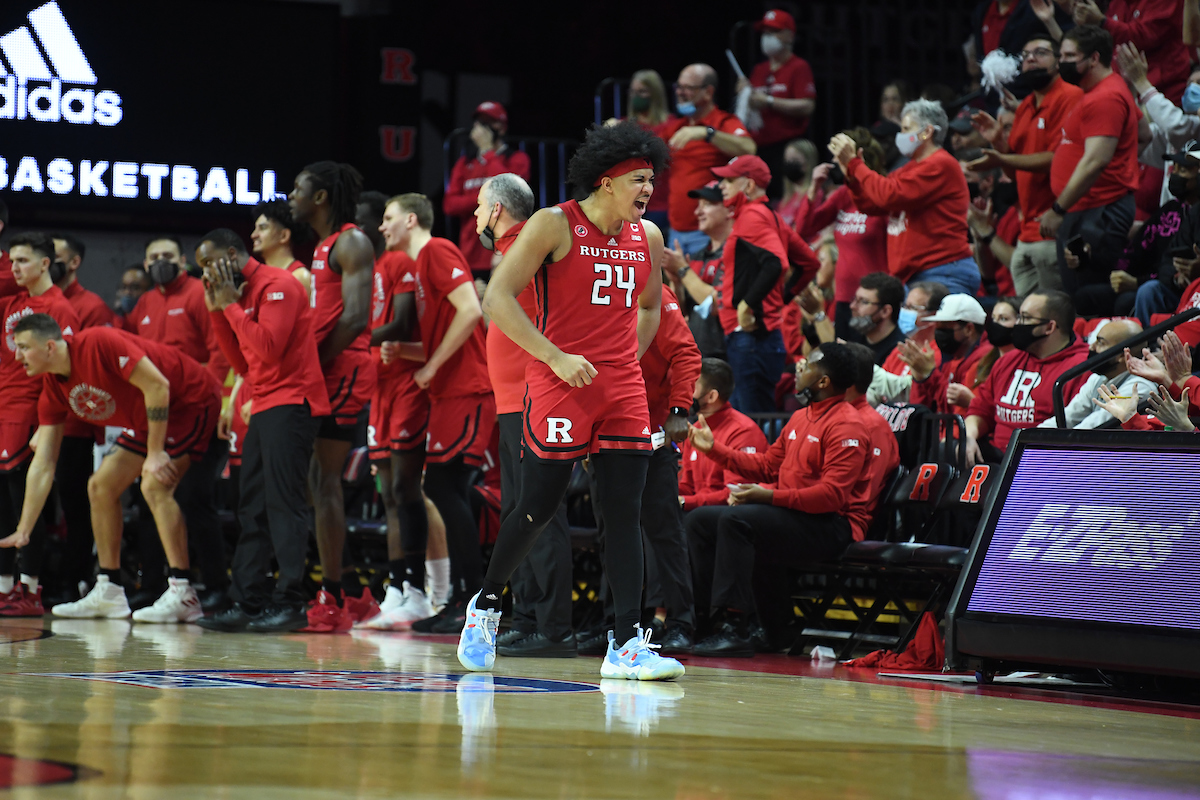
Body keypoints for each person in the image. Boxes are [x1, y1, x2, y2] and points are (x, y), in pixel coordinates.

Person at [462, 121, 684, 680]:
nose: (646, 191)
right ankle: (485, 606)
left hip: (622, 387)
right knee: (536, 508)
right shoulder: (554, 224)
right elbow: (498, 300)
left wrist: (626, 355)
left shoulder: (649, 238)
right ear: (606, 181)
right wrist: (555, 356)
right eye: (638, 180)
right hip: (559, 381)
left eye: (651, 181)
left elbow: (653, 307)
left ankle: (625, 643)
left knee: (623, 513)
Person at [8, 316, 221, 623]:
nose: (17, 355)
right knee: (100, 486)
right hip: (147, 418)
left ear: (50, 346)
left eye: (24, 347)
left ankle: (183, 591)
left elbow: (158, 385)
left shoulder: (98, 343)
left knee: (154, 485)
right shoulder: (53, 388)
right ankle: (109, 590)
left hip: (189, 401)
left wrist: (156, 452)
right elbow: (43, 463)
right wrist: (24, 529)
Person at [457, 173, 576, 655]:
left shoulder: (535, 246)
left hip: (536, 398)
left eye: (479, 206)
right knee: (517, 515)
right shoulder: (514, 251)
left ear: (498, 210)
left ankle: (552, 627)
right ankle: (526, 615)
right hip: (511, 403)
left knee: (541, 514)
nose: (474, 216)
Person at [685, 343, 868, 655]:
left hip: (830, 525)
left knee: (737, 519)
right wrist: (713, 449)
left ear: (823, 382)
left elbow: (831, 496)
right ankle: (702, 620)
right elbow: (767, 465)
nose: (799, 366)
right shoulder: (800, 416)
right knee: (700, 520)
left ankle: (735, 627)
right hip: (795, 515)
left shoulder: (847, 424)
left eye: (808, 364)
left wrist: (769, 497)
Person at [195, 229, 330, 632]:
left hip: (293, 403)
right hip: (264, 403)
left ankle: (290, 600)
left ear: (232, 256)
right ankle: (249, 600)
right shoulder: (237, 293)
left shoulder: (280, 285)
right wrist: (219, 311)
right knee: (251, 504)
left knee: (283, 504)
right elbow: (242, 363)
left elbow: (269, 347)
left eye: (209, 265)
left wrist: (231, 308)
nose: (206, 274)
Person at [384, 193, 496, 635]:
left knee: (446, 487)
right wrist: (411, 352)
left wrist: (428, 365)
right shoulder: (419, 264)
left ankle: (470, 601)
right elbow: (448, 332)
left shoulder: (437, 250)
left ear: (411, 220)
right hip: (449, 393)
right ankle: (462, 598)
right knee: (445, 489)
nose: (382, 226)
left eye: (389, 218)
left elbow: (470, 312)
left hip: (468, 389)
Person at [288, 161, 377, 632]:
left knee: (324, 482)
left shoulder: (351, 241)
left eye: (299, 189)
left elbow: (357, 318)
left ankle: (335, 595)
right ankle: (352, 592)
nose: (291, 196)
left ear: (320, 197)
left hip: (342, 370)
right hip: (325, 369)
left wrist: (313, 363)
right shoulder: (324, 246)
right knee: (314, 483)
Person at [353, 198, 436, 630]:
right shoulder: (372, 268)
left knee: (405, 488)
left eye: (382, 220)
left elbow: (404, 323)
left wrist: (350, 333)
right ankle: (396, 587)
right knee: (386, 492)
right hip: (380, 385)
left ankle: (417, 589)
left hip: (408, 382)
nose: (376, 228)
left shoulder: (403, 261)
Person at [0, 234, 82, 617]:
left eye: (22, 261)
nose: (14, 268)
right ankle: (5, 587)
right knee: (3, 500)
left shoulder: (59, 308)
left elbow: (65, 370)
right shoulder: (14, 302)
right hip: (4, 406)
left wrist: (46, 425)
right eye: (11, 261)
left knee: (25, 501)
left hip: (32, 410)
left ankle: (29, 587)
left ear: (46, 263)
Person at [970, 34, 1082, 296]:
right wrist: (999, 141)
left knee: (1054, 316)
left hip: (1054, 226)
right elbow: (1013, 171)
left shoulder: (1071, 97)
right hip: (1026, 235)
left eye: (1040, 52)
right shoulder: (1025, 107)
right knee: (1028, 321)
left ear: (1058, 61)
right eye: (1026, 55)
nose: (1031, 58)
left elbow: (1058, 160)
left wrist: (1003, 157)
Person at [830, 99, 981, 295]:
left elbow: (889, 195)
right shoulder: (908, 169)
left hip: (941, 272)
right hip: (919, 275)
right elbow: (872, 205)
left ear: (927, 132)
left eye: (907, 128)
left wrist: (856, 165)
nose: (901, 135)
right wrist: (852, 177)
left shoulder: (941, 164)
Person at [1039, 26, 1139, 297]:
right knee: (1081, 291)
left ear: (1094, 58)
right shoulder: (1103, 89)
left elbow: (1096, 160)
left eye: (1070, 55)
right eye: (1061, 55)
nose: (1062, 63)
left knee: (1088, 294)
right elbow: (1143, 133)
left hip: (1098, 211)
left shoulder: (1106, 97)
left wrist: (1058, 209)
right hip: (1091, 207)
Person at [635, 284, 702, 653]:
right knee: (609, 531)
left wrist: (679, 409)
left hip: (652, 430)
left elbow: (686, 353)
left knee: (664, 529)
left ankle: (680, 621)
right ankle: (617, 621)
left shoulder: (654, 291)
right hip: (605, 428)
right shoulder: (588, 280)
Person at [965, 290, 1090, 462]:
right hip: (995, 456)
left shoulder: (1080, 369)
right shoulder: (1009, 359)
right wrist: (969, 437)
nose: (1018, 324)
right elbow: (981, 409)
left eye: (1025, 318)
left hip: (1039, 462)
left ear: (1049, 327)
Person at [712, 154, 790, 413]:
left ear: (749, 185)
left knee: (752, 421)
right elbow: (807, 262)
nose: (721, 185)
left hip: (752, 338)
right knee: (757, 417)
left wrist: (747, 304)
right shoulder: (772, 216)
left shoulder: (752, 215)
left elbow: (777, 263)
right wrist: (783, 299)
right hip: (760, 339)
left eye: (729, 179)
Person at [799, 129, 891, 337]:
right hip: (844, 299)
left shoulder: (883, 193)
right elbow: (805, 228)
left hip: (874, 301)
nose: (833, 161)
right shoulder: (843, 195)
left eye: (838, 155)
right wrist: (813, 189)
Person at [661, 63, 756, 258]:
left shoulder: (723, 122)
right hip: (676, 233)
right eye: (679, 87)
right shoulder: (677, 127)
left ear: (708, 92)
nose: (680, 92)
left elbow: (749, 149)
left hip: (707, 233)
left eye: (688, 88)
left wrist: (707, 133)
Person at [443, 102, 532, 279]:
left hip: (503, 252)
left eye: (488, 123)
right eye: (479, 123)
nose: (482, 128)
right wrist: (483, 200)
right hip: (470, 254)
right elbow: (450, 205)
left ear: (502, 128)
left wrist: (489, 154)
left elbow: (508, 192)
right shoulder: (464, 164)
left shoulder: (516, 159)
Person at [127, 236, 229, 385]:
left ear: (182, 261)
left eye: (168, 256)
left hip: (193, 389)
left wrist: (209, 388)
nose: (161, 261)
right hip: (154, 390)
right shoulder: (145, 301)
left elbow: (221, 349)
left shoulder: (200, 293)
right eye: (154, 257)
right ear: (146, 264)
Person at [739, 10, 817, 201]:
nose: (767, 37)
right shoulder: (759, 69)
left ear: (789, 36)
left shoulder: (798, 67)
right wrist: (744, 93)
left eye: (773, 31)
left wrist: (769, 102)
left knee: (785, 199)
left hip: (786, 147)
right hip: (760, 147)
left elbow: (807, 105)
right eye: (765, 32)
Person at [678, 358, 768, 512]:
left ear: (711, 396)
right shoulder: (695, 428)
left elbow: (736, 493)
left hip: (726, 515)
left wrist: (685, 502)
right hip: (698, 512)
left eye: (692, 386)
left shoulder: (743, 431)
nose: (685, 392)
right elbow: (687, 485)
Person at [1038, 317, 1154, 428]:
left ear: (1121, 355)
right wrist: (1028, 435)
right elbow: (1069, 416)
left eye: (1100, 343)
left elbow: (1093, 426)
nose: (1091, 347)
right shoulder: (1097, 378)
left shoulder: (1138, 387)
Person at [663, 181, 732, 360]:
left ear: (730, 210)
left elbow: (717, 303)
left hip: (727, 356)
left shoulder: (737, 253)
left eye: (707, 205)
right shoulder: (697, 257)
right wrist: (677, 282)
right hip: (697, 355)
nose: (697, 212)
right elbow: (682, 313)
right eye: (698, 206)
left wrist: (683, 271)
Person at [1072, 0, 1190, 104]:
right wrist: (1088, 25)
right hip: (1123, 90)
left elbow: (1143, 37)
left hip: (1162, 94)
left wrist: (1102, 22)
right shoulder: (1118, 3)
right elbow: (1108, 40)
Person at [904, 294, 994, 416]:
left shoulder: (985, 359)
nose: (939, 334)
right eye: (937, 328)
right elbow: (920, 409)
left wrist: (930, 374)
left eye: (945, 328)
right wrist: (919, 377)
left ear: (969, 329)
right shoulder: (951, 358)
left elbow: (957, 411)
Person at [608, 70, 673, 232]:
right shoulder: (622, 125)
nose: (636, 96)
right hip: (628, 203)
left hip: (660, 203)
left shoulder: (671, 125)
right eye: (633, 92)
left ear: (655, 94)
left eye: (642, 92)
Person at [880, 281, 950, 380]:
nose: (905, 312)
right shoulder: (901, 349)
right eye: (905, 306)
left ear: (933, 316)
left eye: (912, 308)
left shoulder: (938, 355)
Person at [250, 198, 311, 296]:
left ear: (284, 236)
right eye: (255, 229)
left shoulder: (300, 277)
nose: (253, 235)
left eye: (262, 228)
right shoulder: (257, 279)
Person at [52, 234, 113, 328]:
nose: (47, 262)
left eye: (55, 257)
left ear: (74, 262)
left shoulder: (93, 307)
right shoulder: (29, 299)